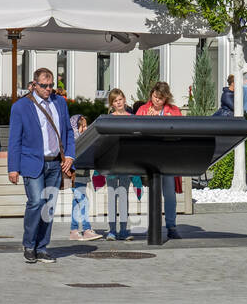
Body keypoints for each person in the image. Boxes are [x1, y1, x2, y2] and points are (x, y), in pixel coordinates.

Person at [7, 68, 77, 264]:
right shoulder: (21, 107)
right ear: (34, 85)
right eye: (44, 86)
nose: (48, 89)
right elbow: (14, 140)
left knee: (49, 206)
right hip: (32, 162)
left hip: (55, 163)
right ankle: (29, 245)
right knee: (36, 202)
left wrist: (70, 156)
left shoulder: (59, 103)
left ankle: (42, 247)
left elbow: (68, 132)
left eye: (51, 85)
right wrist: (13, 167)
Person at [135, 81, 184, 240]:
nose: (157, 101)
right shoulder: (143, 110)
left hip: (168, 157)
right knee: (153, 193)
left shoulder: (173, 111)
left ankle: (171, 225)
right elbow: (134, 129)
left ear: (166, 99)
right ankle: (154, 226)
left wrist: (171, 122)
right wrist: (145, 120)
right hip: (149, 156)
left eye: (160, 98)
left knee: (169, 192)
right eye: (155, 97)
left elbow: (183, 129)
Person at [101, 88, 138, 240]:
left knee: (123, 195)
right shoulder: (108, 119)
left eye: (120, 99)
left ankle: (123, 229)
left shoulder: (132, 117)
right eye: (115, 101)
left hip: (126, 161)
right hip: (111, 162)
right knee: (112, 196)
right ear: (112, 104)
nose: (118, 103)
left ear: (124, 100)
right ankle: (111, 230)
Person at [68, 114, 101, 241]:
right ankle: (86, 229)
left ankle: (74, 231)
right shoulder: (72, 141)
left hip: (83, 174)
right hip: (74, 175)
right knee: (83, 200)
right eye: (83, 126)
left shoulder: (85, 140)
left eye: (87, 125)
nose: (86, 128)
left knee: (77, 202)